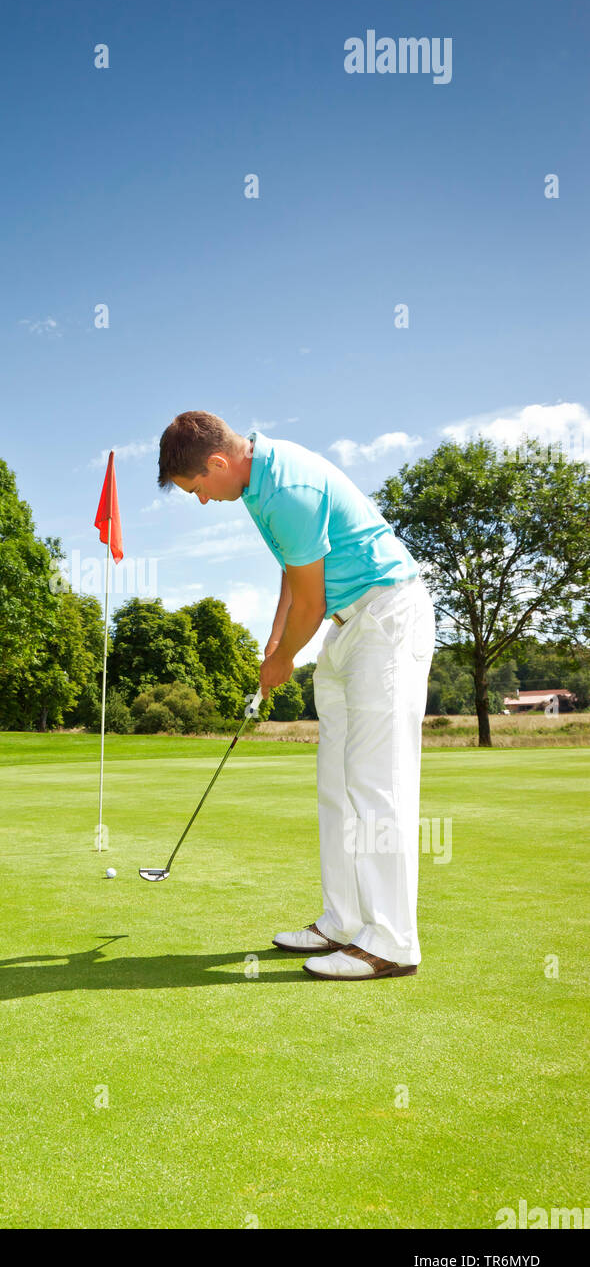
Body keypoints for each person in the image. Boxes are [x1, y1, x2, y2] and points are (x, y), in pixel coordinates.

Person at [157, 411, 435, 981]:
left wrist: (281, 663)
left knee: (376, 780)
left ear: (216, 464)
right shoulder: (255, 485)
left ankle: (392, 941)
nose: (203, 501)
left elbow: (310, 600)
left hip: (386, 616)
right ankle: (344, 921)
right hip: (345, 626)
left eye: (197, 490)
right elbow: (295, 573)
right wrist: (277, 638)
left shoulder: (288, 488)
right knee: (337, 780)